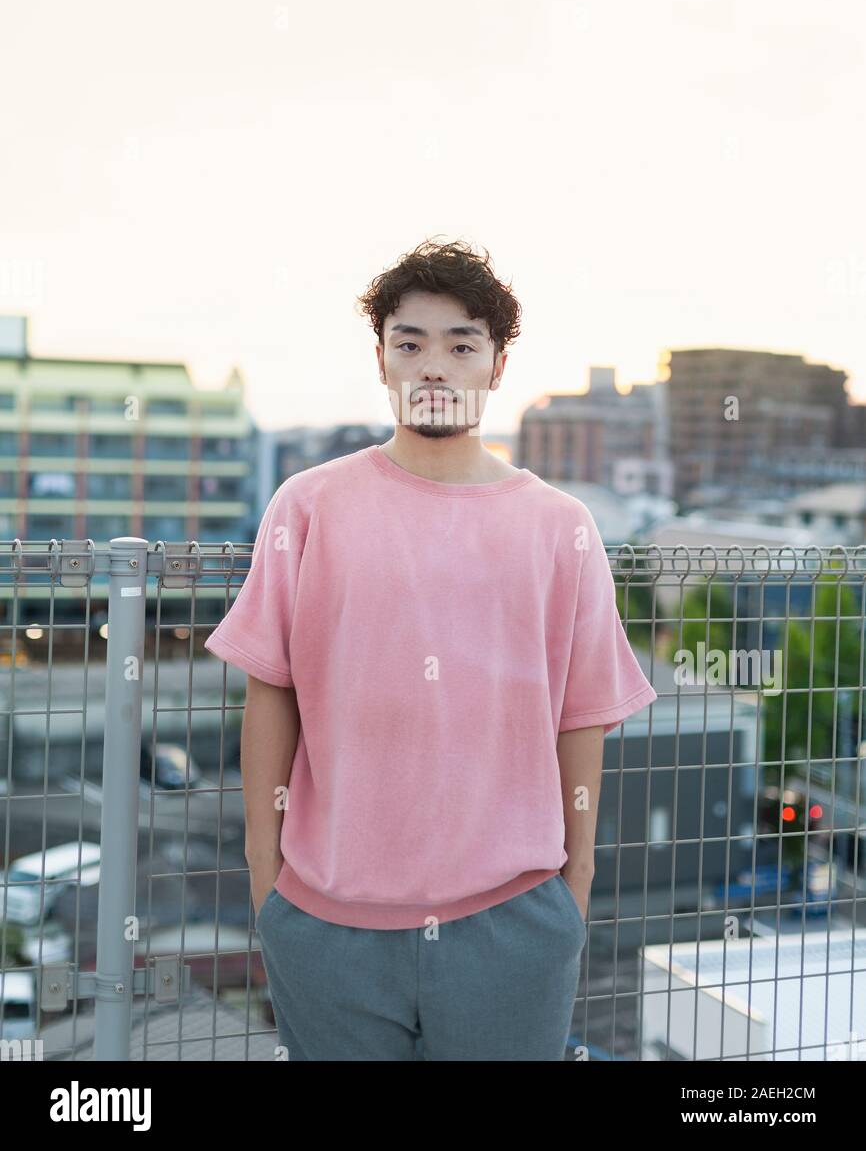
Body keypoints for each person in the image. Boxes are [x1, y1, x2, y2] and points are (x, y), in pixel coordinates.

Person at [204, 237, 657, 1061]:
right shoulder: (307, 507)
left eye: (462, 343)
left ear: (497, 365)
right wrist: (267, 881)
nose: (434, 366)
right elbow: (271, 689)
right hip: (325, 926)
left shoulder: (562, 528)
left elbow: (581, 717)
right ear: (382, 362)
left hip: (513, 925)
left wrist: (572, 895)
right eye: (410, 343)